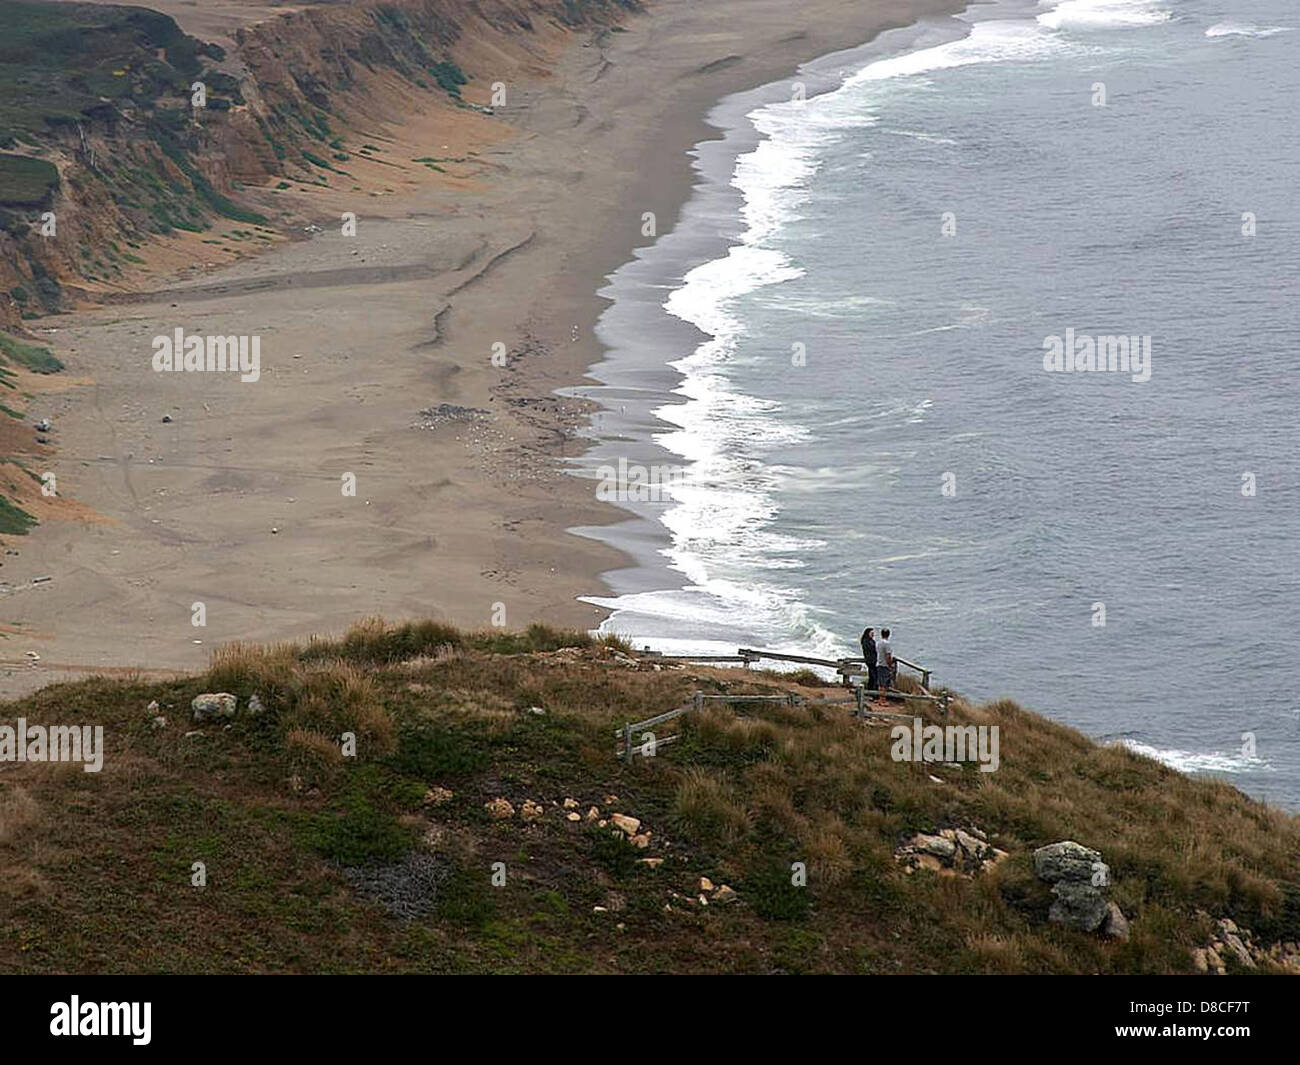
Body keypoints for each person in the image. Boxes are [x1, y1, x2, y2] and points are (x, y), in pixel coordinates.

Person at [875, 627, 894, 706]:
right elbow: (888, 656)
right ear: (889, 635)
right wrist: (890, 665)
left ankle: (880, 698)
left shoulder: (879, 643)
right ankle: (883, 700)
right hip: (884, 665)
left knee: (880, 683)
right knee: (884, 684)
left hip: (879, 663)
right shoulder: (887, 644)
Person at [859, 626, 878, 695]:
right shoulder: (866, 641)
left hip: (873, 660)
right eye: (871, 633)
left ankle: (871, 691)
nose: (873, 634)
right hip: (870, 661)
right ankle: (873, 692)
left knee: (872, 676)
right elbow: (870, 650)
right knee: (874, 677)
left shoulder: (871, 641)